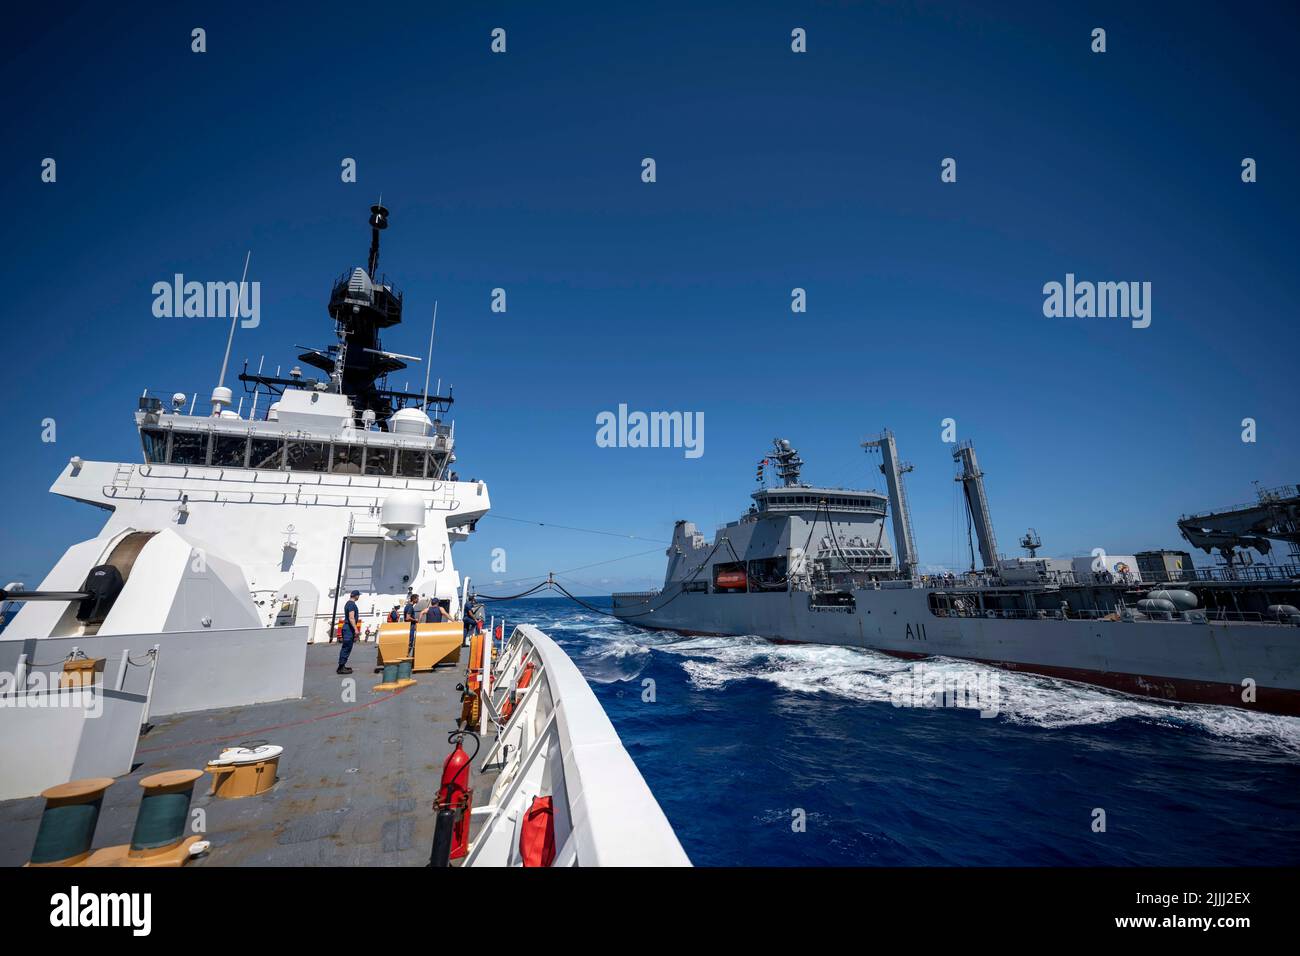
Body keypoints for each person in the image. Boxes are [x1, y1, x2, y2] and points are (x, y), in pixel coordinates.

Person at [337, 590, 362, 675]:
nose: (359, 597)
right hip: (349, 629)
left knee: (347, 647)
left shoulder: (348, 603)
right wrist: (356, 629)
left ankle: (342, 665)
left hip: (347, 628)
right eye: (358, 595)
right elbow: (351, 618)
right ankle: (341, 667)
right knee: (346, 647)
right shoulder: (352, 604)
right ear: (356, 596)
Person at [403, 592, 419, 656]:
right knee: (410, 642)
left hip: (408, 626)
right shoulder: (410, 607)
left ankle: (406, 655)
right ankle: (406, 656)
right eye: (417, 599)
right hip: (410, 627)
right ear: (414, 599)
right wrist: (415, 620)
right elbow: (407, 617)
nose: (418, 600)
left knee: (409, 642)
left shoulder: (407, 606)